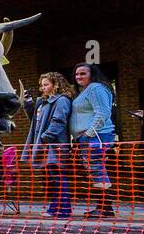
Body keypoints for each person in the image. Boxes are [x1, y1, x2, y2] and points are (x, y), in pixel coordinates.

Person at [22, 72, 74, 219]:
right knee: (53, 177)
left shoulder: (62, 100)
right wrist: (27, 101)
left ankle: (64, 210)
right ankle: (55, 208)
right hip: (46, 145)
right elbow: (34, 118)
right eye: (41, 85)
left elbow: (58, 121)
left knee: (58, 176)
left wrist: (45, 138)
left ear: (55, 85)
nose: (42, 88)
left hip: (55, 145)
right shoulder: (43, 101)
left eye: (46, 84)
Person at [71, 62, 116, 219]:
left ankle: (105, 208)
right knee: (95, 170)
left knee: (97, 169)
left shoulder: (95, 88)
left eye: (83, 73)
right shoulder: (86, 90)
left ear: (92, 74)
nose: (79, 77)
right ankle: (103, 207)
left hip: (97, 136)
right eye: (77, 74)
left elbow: (103, 112)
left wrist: (89, 133)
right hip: (88, 138)